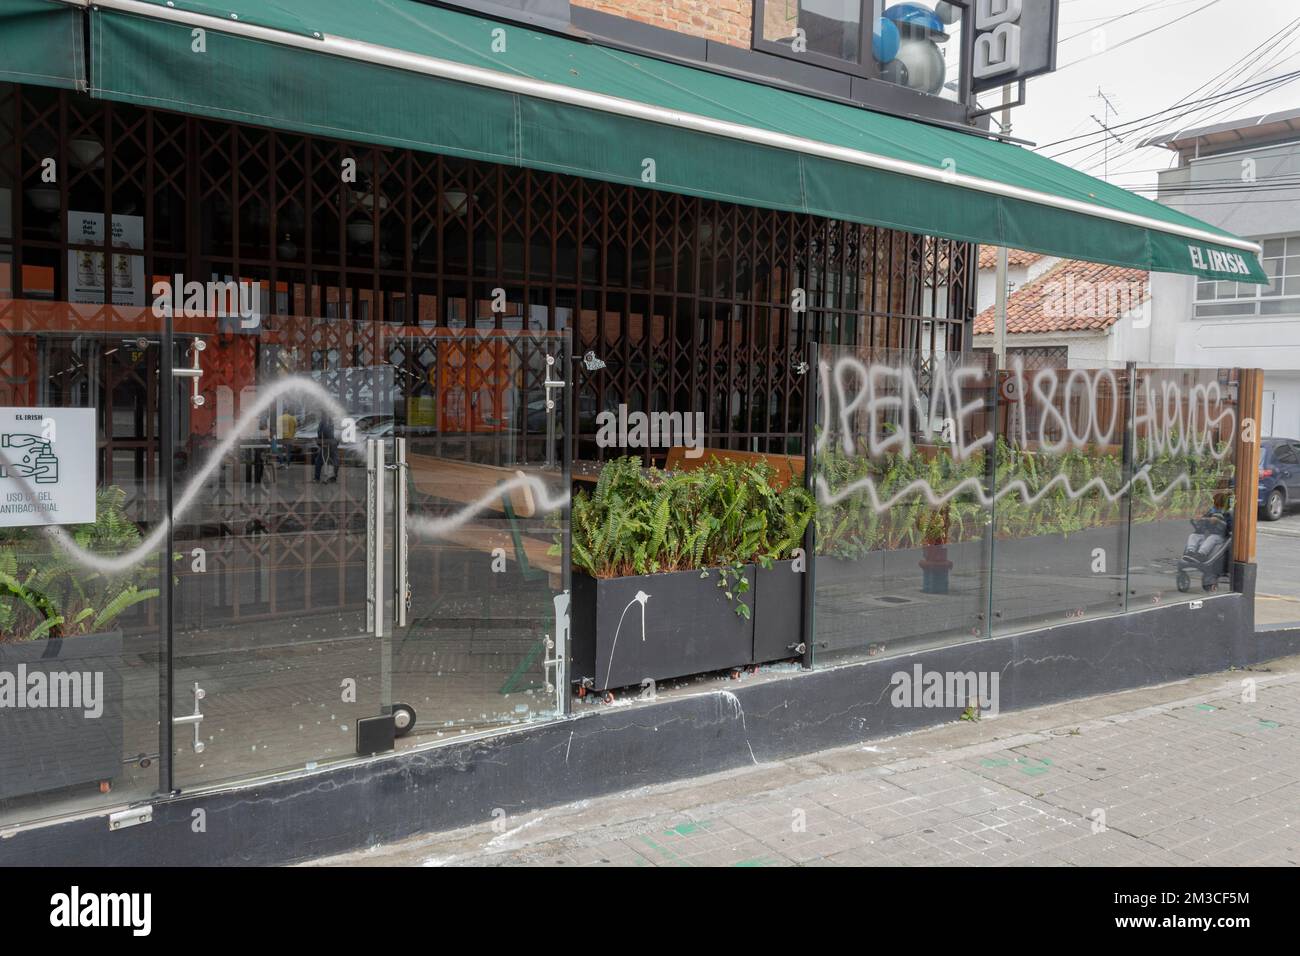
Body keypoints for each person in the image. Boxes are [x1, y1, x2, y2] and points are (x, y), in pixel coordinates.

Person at [313, 415, 338, 483]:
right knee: (334, 460)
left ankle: (317, 478)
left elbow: (322, 432)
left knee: (319, 461)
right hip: (332, 443)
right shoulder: (332, 420)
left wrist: (321, 442)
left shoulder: (324, 421)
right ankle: (333, 477)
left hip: (327, 444)